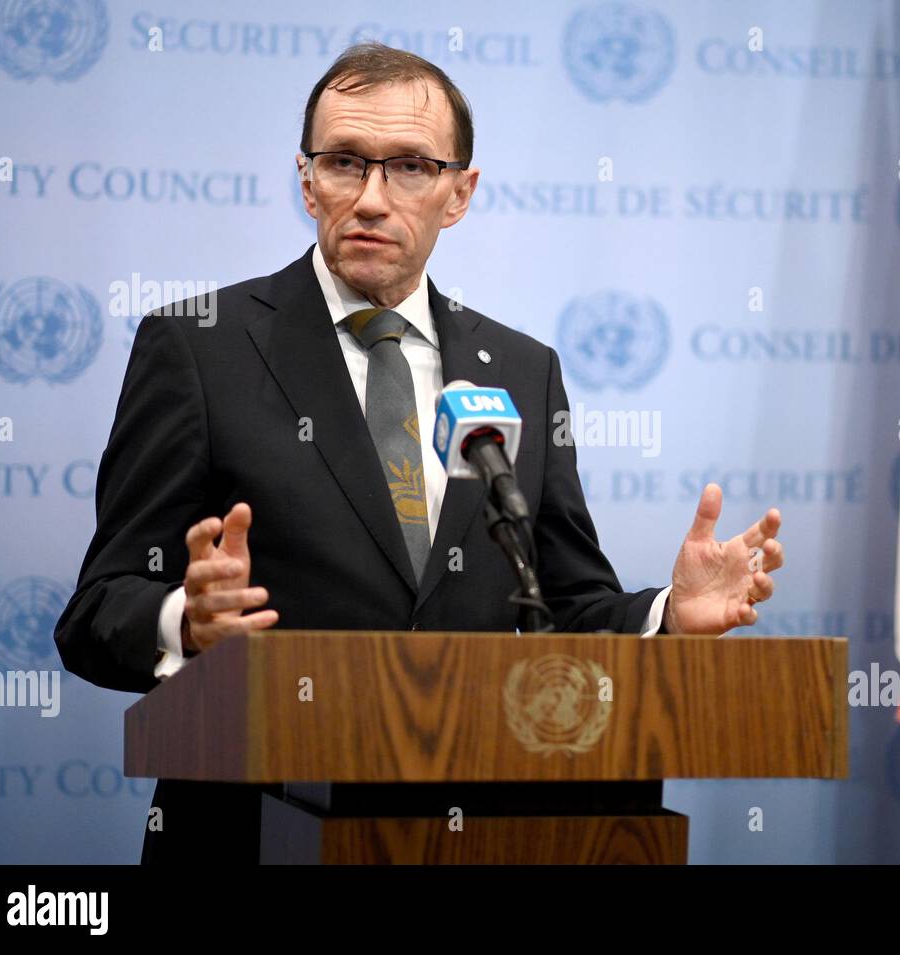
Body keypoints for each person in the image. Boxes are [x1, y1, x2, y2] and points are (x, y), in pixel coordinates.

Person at [54, 42, 784, 863]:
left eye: (408, 167)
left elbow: (564, 612)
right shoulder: (198, 348)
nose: (370, 198)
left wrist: (665, 620)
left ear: (459, 192)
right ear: (306, 181)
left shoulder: (523, 371)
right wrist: (185, 622)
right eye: (343, 164)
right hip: (251, 832)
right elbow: (93, 613)